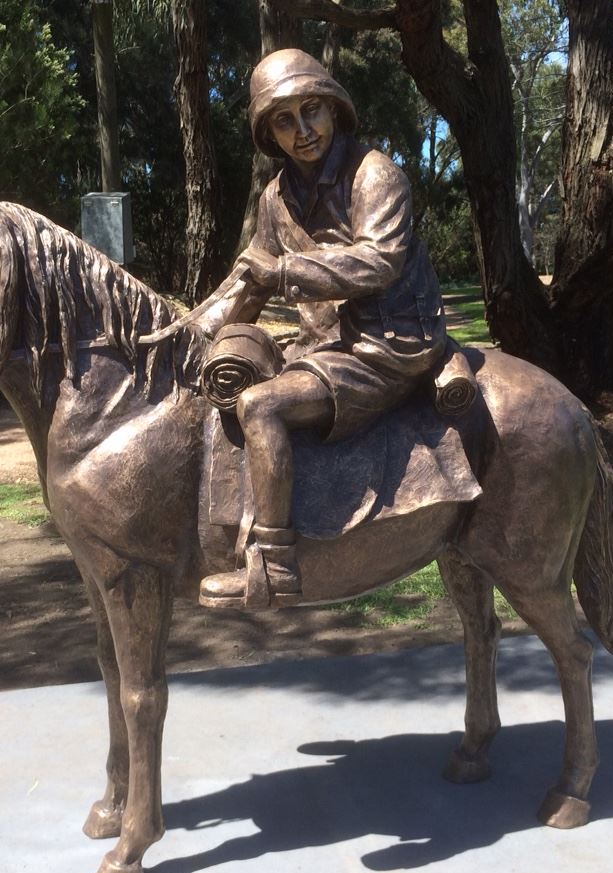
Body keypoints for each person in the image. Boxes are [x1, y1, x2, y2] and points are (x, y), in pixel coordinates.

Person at [187, 48, 447, 609]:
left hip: (387, 342)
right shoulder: (276, 198)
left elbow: (379, 260)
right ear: (268, 133)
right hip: (326, 345)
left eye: (312, 111)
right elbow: (246, 281)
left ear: (334, 109)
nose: (303, 131)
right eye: (285, 120)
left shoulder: (375, 175)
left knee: (260, 406)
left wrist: (286, 270)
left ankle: (274, 566)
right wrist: (185, 334)